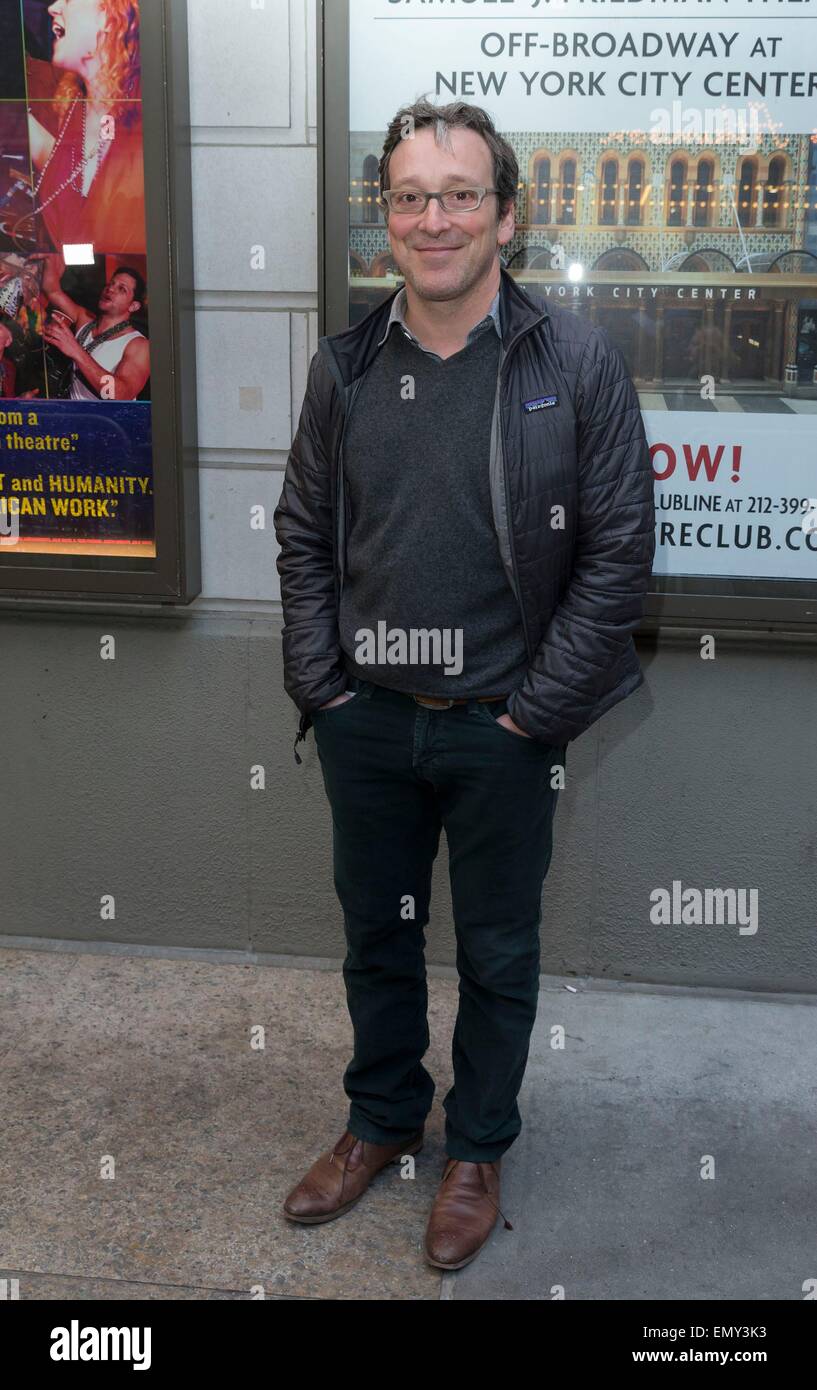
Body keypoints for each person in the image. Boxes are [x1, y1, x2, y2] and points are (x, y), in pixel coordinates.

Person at [273, 99, 656, 1270]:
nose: (432, 218)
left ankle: (478, 1147)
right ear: (383, 214)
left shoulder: (572, 360)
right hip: (368, 725)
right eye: (408, 196)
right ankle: (383, 1119)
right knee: (375, 942)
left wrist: (532, 712)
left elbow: (618, 555)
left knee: (496, 952)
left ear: (504, 215)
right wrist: (322, 685)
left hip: (504, 728)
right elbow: (301, 534)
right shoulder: (345, 365)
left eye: (458, 195)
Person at [26, 0, 144, 256]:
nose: (53, 8)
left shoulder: (141, 118)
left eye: (68, 0)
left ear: (108, 17)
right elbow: (67, 170)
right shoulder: (75, 105)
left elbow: (102, 244)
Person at [33, 252, 149, 400]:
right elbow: (52, 290)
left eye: (122, 289)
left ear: (133, 306)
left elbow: (120, 395)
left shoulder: (139, 345)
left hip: (104, 422)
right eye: (110, 284)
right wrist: (49, 258)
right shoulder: (85, 319)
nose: (111, 289)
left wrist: (75, 350)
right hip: (73, 416)